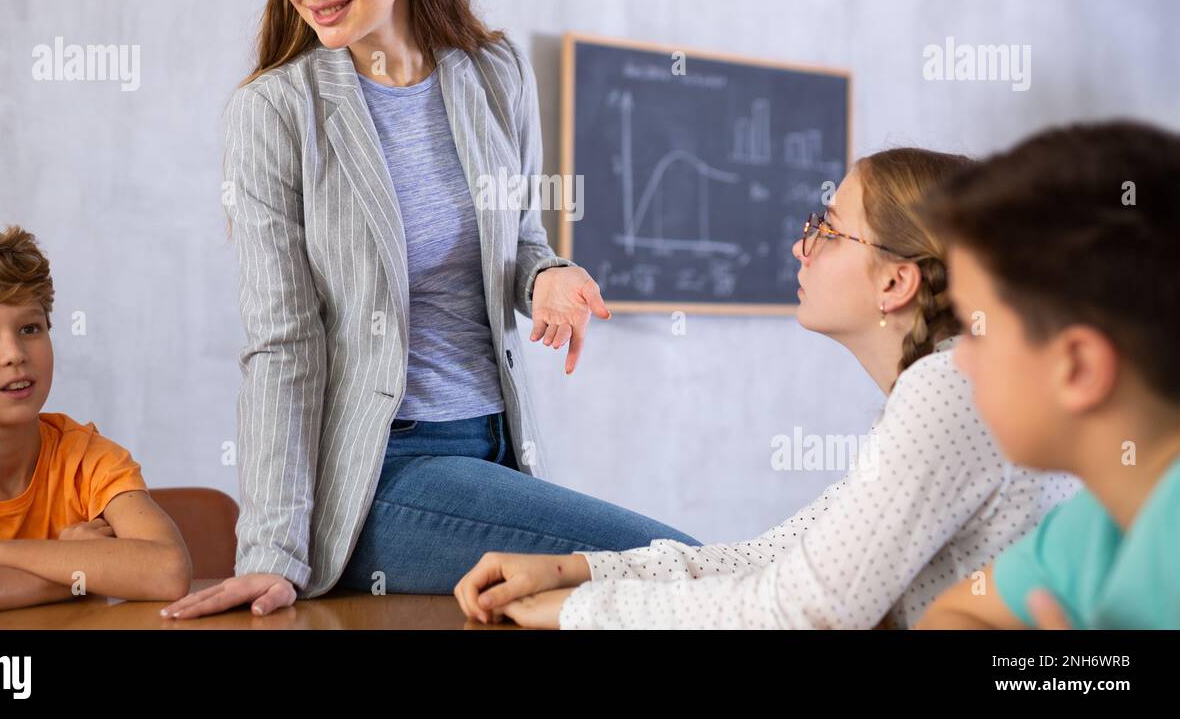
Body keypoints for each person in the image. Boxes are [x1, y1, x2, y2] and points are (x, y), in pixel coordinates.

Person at [161, 0, 699, 620]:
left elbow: (519, 238)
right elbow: (282, 343)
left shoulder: (493, 73)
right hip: (384, 478)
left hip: (500, 450)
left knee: (656, 582)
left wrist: (546, 274)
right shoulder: (276, 111)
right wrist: (273, 553)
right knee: (679, 568)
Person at [455, 148, 1080, 628]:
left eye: (828, 231)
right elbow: (773, 557)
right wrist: (571, 572)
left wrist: (575, 611)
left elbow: (798, 611)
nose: (800, 246)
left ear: (896, 283)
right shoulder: (956, 385)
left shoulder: (952, 392)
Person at [917, 120, 1180, 629]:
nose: (959, 359)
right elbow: (954, 613)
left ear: (1078, 368)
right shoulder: (1101, 519)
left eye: (976, 328)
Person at [0, 224, 191, 623]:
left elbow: (167, 570)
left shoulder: (85, 455)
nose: (14, 353)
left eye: (30, 328)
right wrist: (79, 572)